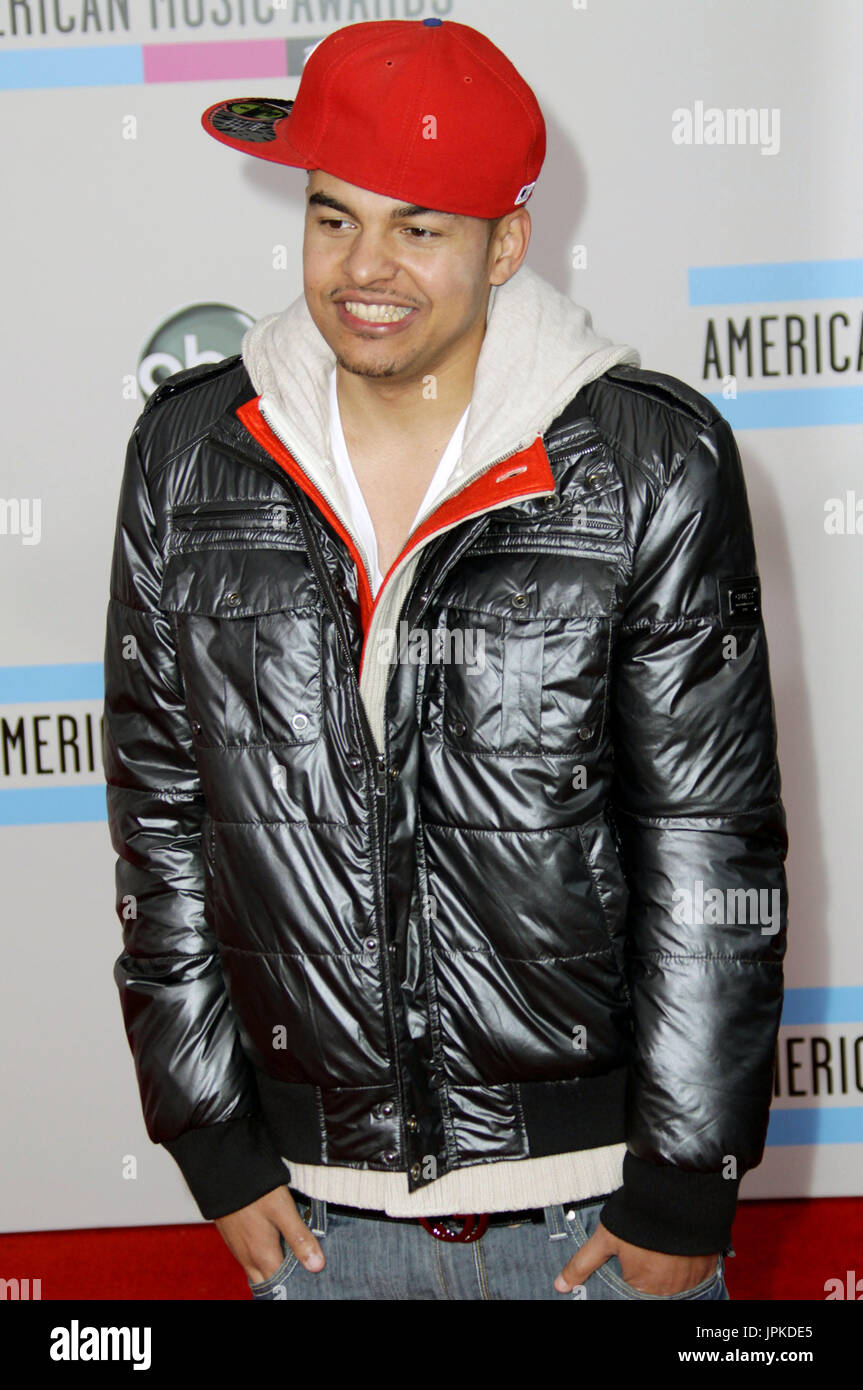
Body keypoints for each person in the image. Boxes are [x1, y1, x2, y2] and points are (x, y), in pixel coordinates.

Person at [103, 17, 788, 1301]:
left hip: (591, 1214)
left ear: (504, 241)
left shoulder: (646, 461)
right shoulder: (190, 453)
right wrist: (207, 1132)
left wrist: (686, 1176)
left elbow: (708, 835)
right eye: (330, 217)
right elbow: (163, 813)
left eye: (418, 227)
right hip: (310, 1216)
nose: (365, 268)